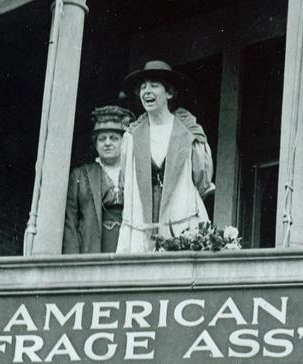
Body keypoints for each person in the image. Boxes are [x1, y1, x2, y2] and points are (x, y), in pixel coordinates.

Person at [117, 60, 215, 253]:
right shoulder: (131, 136)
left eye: (154, 85)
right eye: (143, 87)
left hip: (180, 214)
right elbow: (125, 183)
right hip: (141, 220)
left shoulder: (189, 132)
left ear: (169, 93)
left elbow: (202, 179)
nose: (147, 91)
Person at [62, 105, 134, 254]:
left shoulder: (135, 173)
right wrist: (73, 262)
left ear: (124, 142)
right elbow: (70, 222)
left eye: (114, 138)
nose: (107, 143)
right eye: (102, 139)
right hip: (92, 251)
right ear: (95, 144)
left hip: (130, 249)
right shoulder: (80, 176)